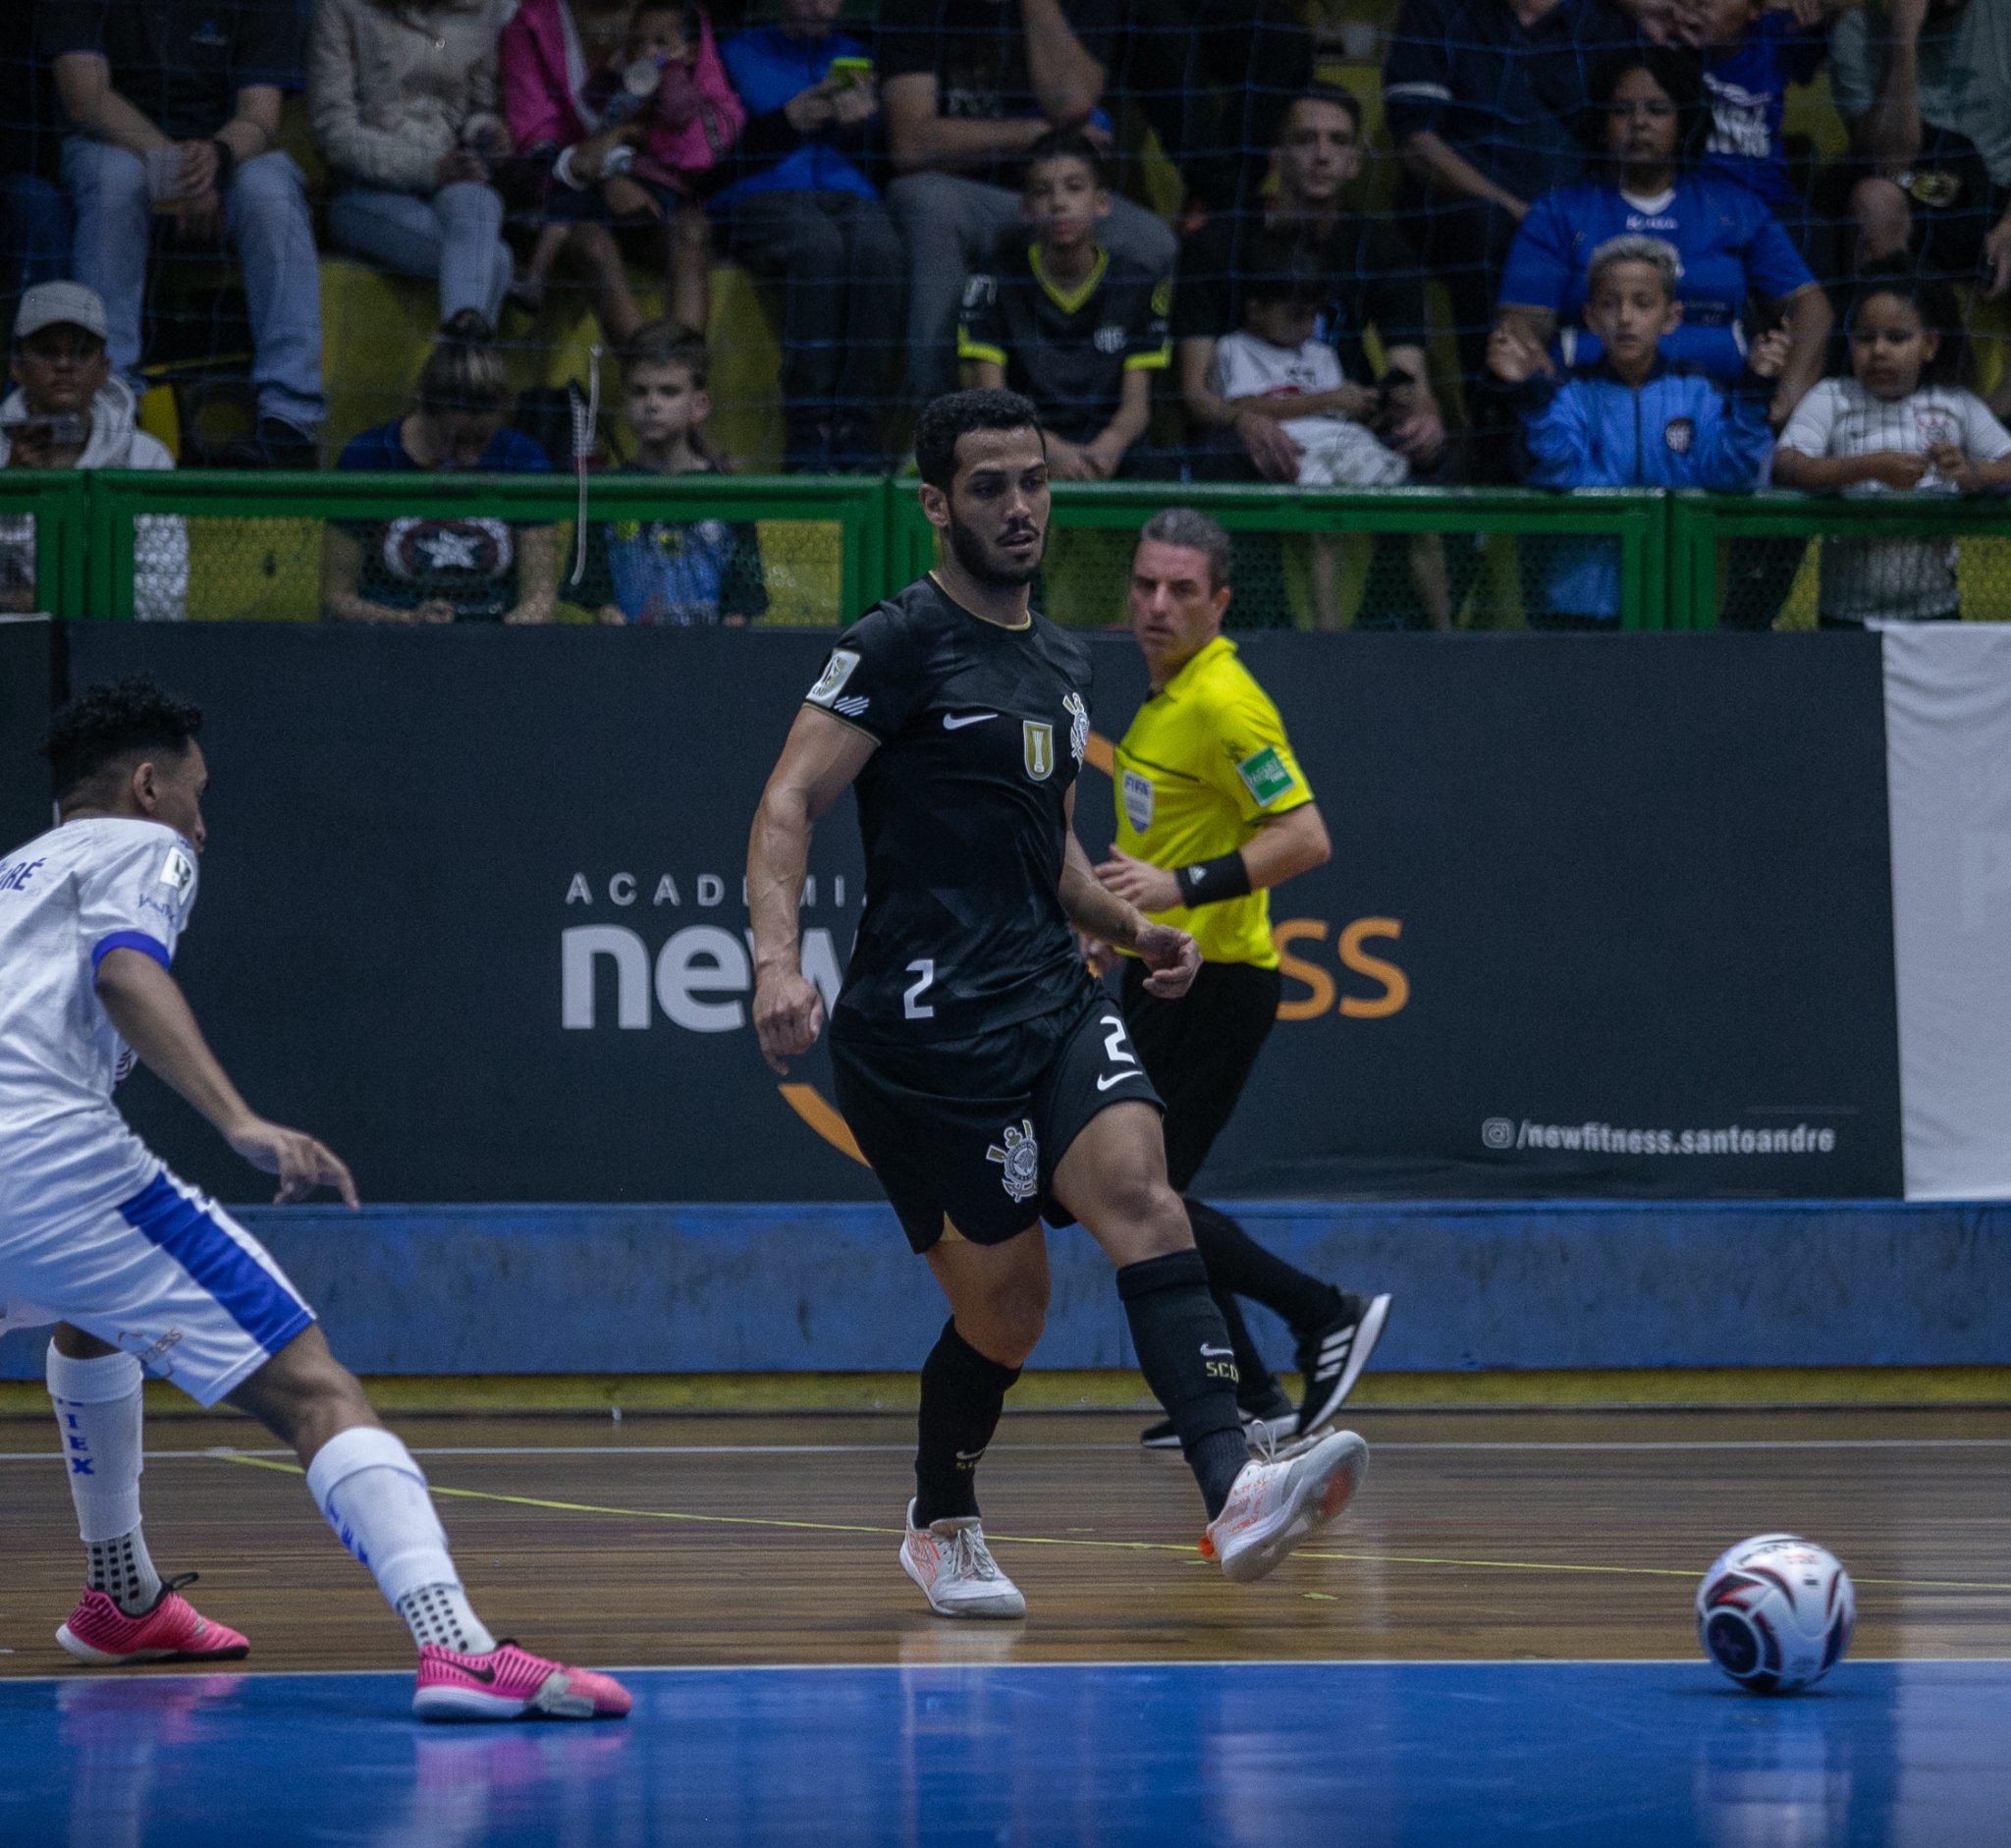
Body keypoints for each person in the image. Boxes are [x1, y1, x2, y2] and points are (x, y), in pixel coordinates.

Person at [746, 388, 1370, 1618]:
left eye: (1032, 480)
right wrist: (774, 960)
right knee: (1009, 1312)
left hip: (1049, 994)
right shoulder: (895, 643)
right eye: (988, 486)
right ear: (936, 505)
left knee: (1142, 1191)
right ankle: (939, 1514)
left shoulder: (1060, 659)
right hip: (920, 1038)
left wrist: (1137, 929)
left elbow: (1053, 851)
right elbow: (786, 804)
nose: (1019, 506)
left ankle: (1234, 1480)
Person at [0, 677, 628, 1720]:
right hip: (47, 1161)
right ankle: (456, 1644)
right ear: (147, 786)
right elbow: (124, 970)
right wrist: (239, 1120)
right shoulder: (142, 848)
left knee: (93, 1315)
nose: (204, 825)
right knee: (314, 1387)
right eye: (197, 797)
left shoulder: (14, 877)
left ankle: (121, 1594)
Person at [1090, 508, 1392, 1449]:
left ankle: (1322, 1314)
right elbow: (1158, 838)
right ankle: (1251, 1397)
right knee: (1147, 1195)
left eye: (1182, 590)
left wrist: (1178, 889)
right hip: (1163, 970)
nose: (1157, 604)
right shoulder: (1161, 697)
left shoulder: (1225, 701)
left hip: (1217, 981)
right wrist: (1119, 927)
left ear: (1219, 602)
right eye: (1145, 584)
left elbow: (1305, 837)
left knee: (1137, 1193)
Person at [44, 0, 326, 466]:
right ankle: (112, 405)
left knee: (273, 189)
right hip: (114, 144)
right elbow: (84, 95)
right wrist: (176, 167)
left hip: (221, 153)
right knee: (117, 183)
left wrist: (215, 158)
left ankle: (291, 420)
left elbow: (260, 116)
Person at [1495, 46, 1830, 430]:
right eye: (1622, 111)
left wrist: (1785, 399)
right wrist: (1547, 398)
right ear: (1601, 124)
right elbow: (1520, 324)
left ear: (1684, 120)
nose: (1639, 123)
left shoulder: (1734, 208)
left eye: (1657, 110)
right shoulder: (1558, 213)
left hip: (1723, 421)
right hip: (1591, 418)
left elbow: (1810, 307)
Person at [878, 0, 1177, 408]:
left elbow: (1071, 103)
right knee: (926, 203)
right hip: (964, 194)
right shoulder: (918, 9)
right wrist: (1037, 133)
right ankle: (939, 419)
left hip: (1057, 189)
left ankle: (1109, 425)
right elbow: (912, 145)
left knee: (1152, 241)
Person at [1482, 233, 1786, 624]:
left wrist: (1756, 392)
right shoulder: (1569, 396)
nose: (1625, 318)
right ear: (1590, 318)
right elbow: (1559, 475)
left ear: (1672, 316)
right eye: (1609, 304)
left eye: (1643, 303)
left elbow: (1729, 473)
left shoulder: (1700, 393)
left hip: (1679, 600)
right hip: (1580, 607)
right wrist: (1530, 395)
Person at [1173, 86, 1445, 487]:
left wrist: (1424, 417)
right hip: (1242, 420)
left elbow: (1408, 373)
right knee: (1224, 454)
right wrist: (1244, 420)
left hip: (1345, 419)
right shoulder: (1216, 245)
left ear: (1354, 162)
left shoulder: (1382, 249)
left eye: (1338, 141)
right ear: (1276, 156)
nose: (1321, 155)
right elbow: (1196, 394)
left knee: (1430, 457)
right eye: (1304, 139)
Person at [1381, 0, 1644, 390]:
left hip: (1576, 207)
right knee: (1486, 228)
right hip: (1466, 211)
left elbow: (1627, 128)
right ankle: (1497, 403)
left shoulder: (1601, 22)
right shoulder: (1438, 11)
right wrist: (1516, 209)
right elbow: (1416, 142)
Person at [1204, 252, 1451, 629]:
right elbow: (1241, 404)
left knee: (1421, 511)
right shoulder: (1234, 348)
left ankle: (1444, 630)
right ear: (1255, 310)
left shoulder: (1321, 354)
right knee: (1323, 528)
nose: (1306, 321)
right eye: (1294, 313)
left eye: (1312, 313)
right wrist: (1327, 398)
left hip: (1347, 443)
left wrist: (1380, 407)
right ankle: (1328, 632)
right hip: (1295, 447)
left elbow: (1343, 417)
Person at [716, 0, 903, 473]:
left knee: (880, 246)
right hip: (761, 194)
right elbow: (710, 155)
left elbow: (885, 160)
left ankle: (857, 423)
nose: (820, 7)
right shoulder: (732, 52)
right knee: (817, 245)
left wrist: (860, 129)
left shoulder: (858, 56)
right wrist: (786, 121)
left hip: (848, 193)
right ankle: (811, 422)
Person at [1772, 274, 2011, 625]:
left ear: (1929, 345)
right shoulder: (1832, 397)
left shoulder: (1954, 403)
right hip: (1846, 614)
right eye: (1866, 338)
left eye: (1897, 338)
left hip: (1935, 611)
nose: (1879, 350)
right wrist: (1869, 467)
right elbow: (1786, 466)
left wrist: (1973, 472)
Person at [500, 0, 742, 340]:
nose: (649, 48)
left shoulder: (680, 17)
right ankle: (648, 373)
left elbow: (713, 122)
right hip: (564, 202)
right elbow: (532, 149)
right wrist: (603, 177)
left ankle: (684, 378)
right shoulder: (530, 23)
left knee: (692, 231)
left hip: (653, 198)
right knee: (592, 245)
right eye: (640, 43)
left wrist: (631, 142)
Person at [957, 132, 1169, 481]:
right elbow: (990, 396)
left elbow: (1137, 405)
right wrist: (1046, 447)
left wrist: (1112, 442)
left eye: (1074, 188)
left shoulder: (1137, 284)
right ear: (1025, 208)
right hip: (1020, 440)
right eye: (1042, 191)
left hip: (1106, 444)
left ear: (1101, 202)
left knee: (1156, 469)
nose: (1058, 203)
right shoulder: (993, 281)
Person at [323, 310, 557, 625]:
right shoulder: (369, 456)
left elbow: (540, 598)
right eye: (455, 440)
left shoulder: (522, 458)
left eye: (482, 440)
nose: (470, 458)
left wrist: (497, 639)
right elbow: (336, 598)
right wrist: (407, 620)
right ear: (423, 405)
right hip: (388, 641)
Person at [308, 0, 517, 331]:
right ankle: (465, 372)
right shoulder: (341, 8)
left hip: (451, 182)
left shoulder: (481, 9)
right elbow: (333, 134)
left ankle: (456, 370)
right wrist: (431, 167)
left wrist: (486, 132)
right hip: (363, 193)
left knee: (482, 202)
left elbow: (478, 107)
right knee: (497, 259)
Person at [0, 282, 185, 623]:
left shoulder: (147, 459)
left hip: (115, 649)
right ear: (16, 366)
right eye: (46, 351)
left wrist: (43, 599)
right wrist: (12, 496)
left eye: (82, 352)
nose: (64, 364)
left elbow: (163, 600)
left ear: (105, 368)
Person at [565, 320, 767, 625]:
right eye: (639, 391)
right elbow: (597, 593)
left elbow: (740, 603)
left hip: (711, 658)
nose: (652, 404)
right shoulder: (605, 493)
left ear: (699, 405)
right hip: (628, 658)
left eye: (668, 391)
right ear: (624, 400)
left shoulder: (728, 495)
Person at [1826, 0, 2011, 305]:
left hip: (1999, 199)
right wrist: (1903, 39)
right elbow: (1890, 161)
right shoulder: (1857, 31)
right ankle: (1889, 341)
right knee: (1874, 201)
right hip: (1912, 190)